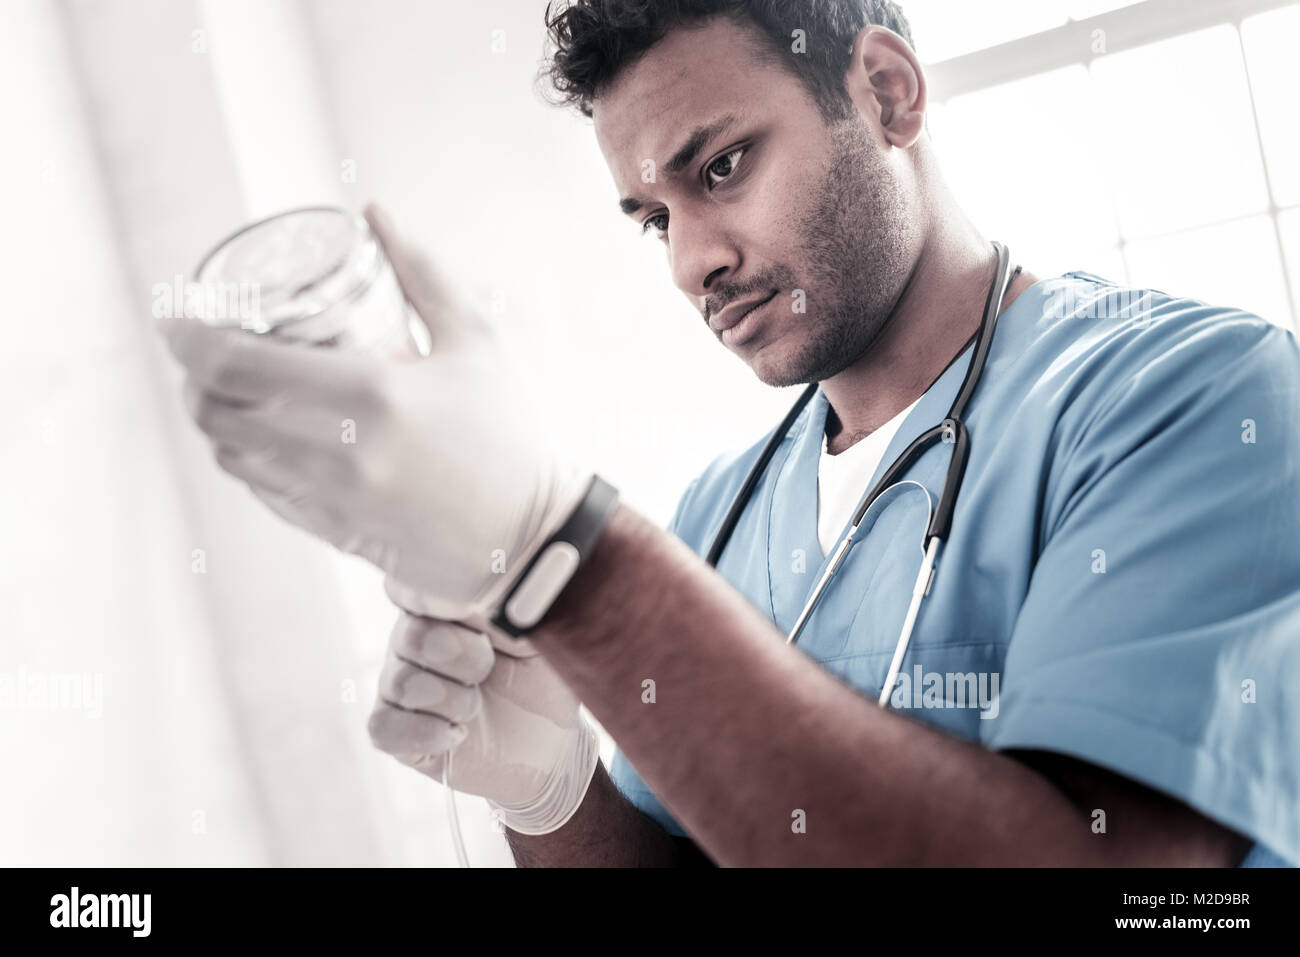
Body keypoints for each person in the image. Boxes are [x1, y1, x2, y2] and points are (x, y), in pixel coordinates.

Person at [161, 0, 1300, 867]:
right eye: (653, 216)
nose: (690, 261)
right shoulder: (719, 516)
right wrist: (554, 800)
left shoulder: (1193, 397)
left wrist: (573, 561)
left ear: (888, 94)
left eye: (721, 168)